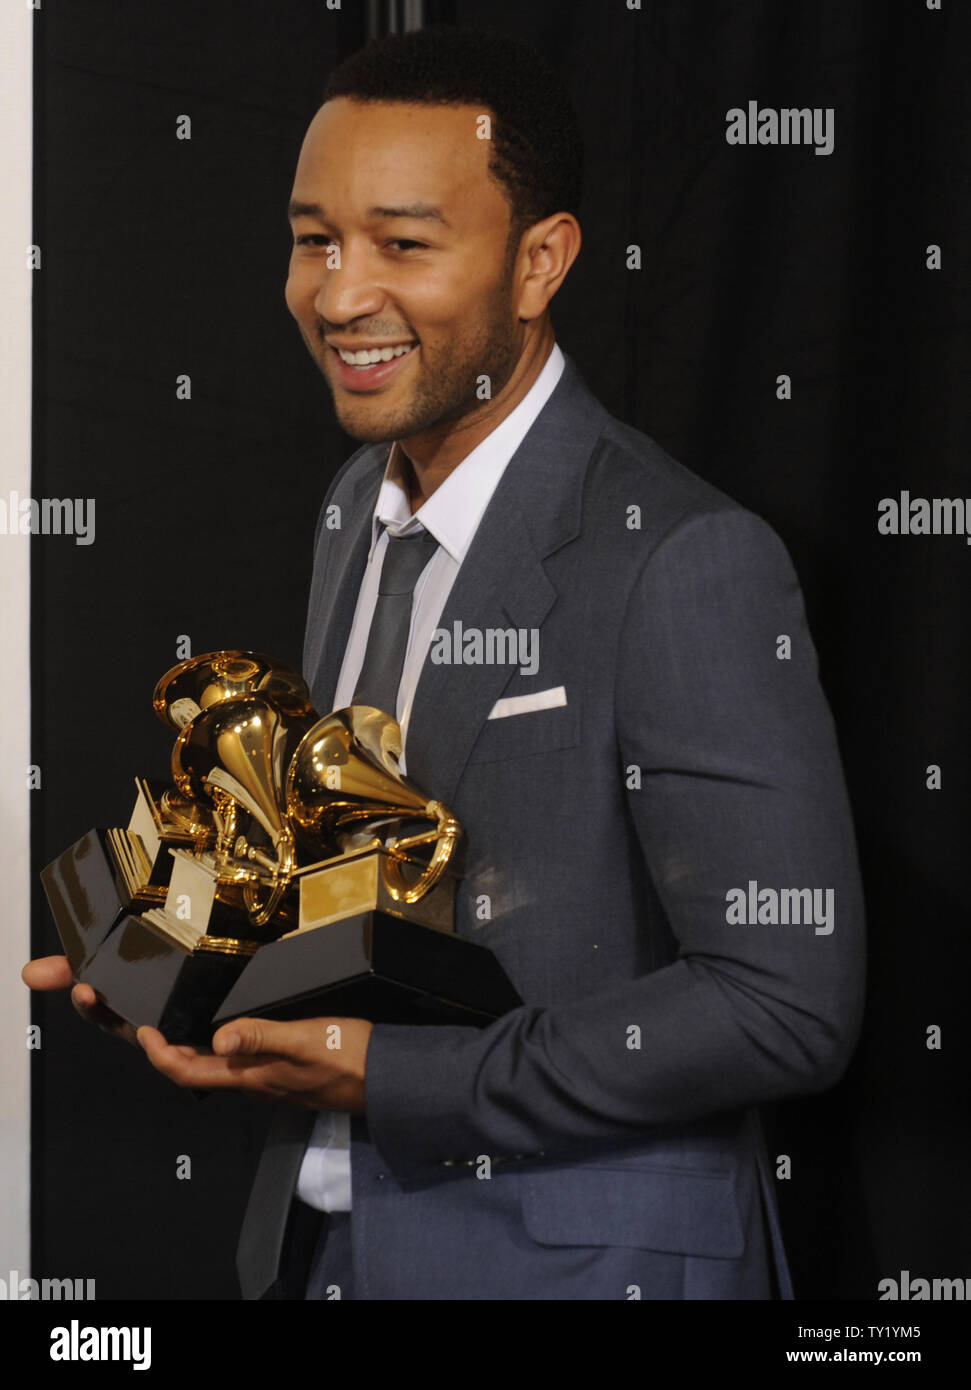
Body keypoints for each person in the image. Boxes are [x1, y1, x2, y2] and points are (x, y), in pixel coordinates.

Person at [24, 26, 865, 1301]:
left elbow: (783, 999)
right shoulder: (350, 505)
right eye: (315, 238)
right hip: (319, 1253)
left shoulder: (684, 559)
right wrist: (185, 971)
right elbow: (355, 880)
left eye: (403, 244)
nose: (339, 293)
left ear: (539, 263)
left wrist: (389, 1074)